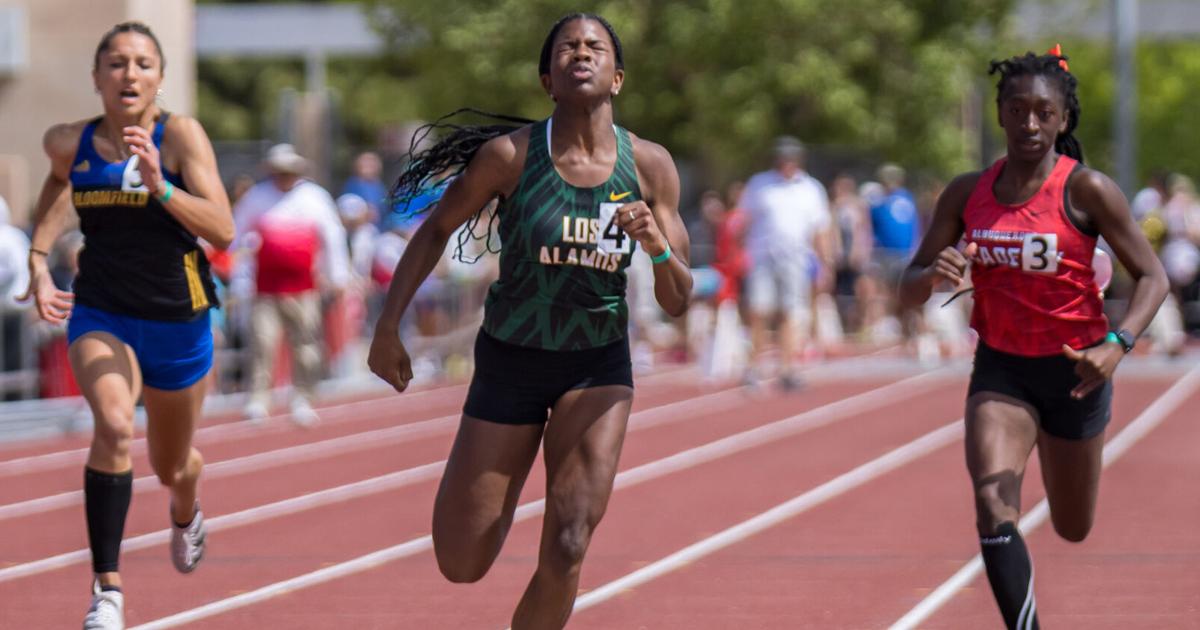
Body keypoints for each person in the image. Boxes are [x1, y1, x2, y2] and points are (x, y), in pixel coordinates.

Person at [368, 13, 691, 629]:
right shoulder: (509, 158)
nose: (582, 52)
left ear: (617, 78)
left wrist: (656, 247)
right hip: (511, 361)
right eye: (568, 46)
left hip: (595, 366)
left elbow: (678, 299)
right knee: (461, 560)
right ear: (548, 79)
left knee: (569, 541)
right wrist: (388, 327)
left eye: (595, 46)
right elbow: (437, 228)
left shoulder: (650, 167)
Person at [899, 48, 1167, 629]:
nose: (1029, 123)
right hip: (1002, 370)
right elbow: (909, 288)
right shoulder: (968, 192)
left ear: (1062, 120)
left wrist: (1117, 344)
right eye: (1016, 109)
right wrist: (933, 273)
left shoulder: (1088, 191)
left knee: (1072, 526)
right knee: (993, 505)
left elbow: (1154, 276)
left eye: (1042, 112)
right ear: (999, 113)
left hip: (1076, 373)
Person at [18, 22, 233, 629]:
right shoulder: (68, 140)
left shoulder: (181, 135)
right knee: (113, 425)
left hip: (177, 318)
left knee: (172, 466)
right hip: (102, 309)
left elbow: (223, 229)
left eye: (142, 63)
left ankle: (186, 508)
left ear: (159, 78)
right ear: (97, 78)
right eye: (115, 63)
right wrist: (38, 260)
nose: (129, 74)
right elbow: (63, 184)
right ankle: (107, 591)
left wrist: (161, 184)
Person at [232, 143, 352, 425]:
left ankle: (303, 397)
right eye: (279, 171)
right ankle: (259, 399)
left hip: (304, 288)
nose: (284, 177)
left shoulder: (314, 197)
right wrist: (240, 276)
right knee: (262, 343)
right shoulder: (257, 197)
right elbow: (237, 234)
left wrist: (338, 276)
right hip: (265, 288)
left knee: (307, 345)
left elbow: (332, 237)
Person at [740, 135, 832, 390]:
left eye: (790, 158)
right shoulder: (759, 184)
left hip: (796, 258)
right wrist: (739, 254)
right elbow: (744, 222)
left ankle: (788, 368)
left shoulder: (812, 189)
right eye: (782, 158)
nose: (786, 163)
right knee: (759, 310)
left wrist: (825, 264)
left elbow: (820, 229)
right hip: (762, 256)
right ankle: (755, 367)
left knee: (790, 313)